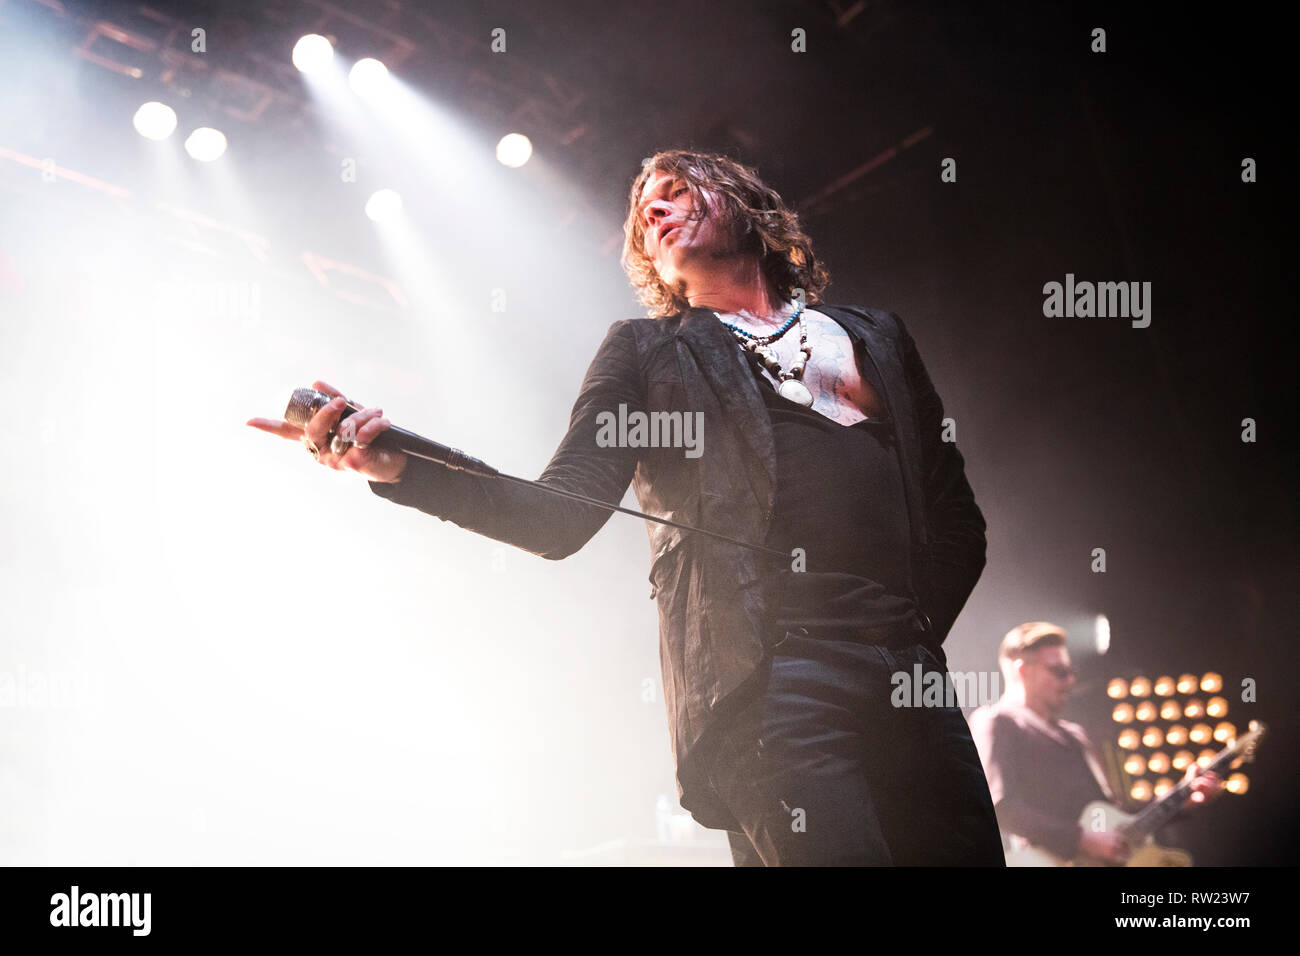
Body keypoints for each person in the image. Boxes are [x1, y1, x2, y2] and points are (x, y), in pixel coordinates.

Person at [248, 148, 1004, 865]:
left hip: (910, 677)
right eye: (644, 213)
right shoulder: (646, 351)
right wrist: (399, 467)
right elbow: (559, 516)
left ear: (743, 202)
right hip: (772, 682)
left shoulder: (877, 335)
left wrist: (909, 639)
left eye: (676, 191)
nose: (656, 212)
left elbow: (954, 518)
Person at [969, 622, 1222, 864]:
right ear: (1022, 670)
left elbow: (1118, 816)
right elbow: (999, 807)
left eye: (1071, 672)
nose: (1069, 681)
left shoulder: (1075, 734)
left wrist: (1183, 799)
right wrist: (1082, 840)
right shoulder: (996, 720)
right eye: (1059, 671)